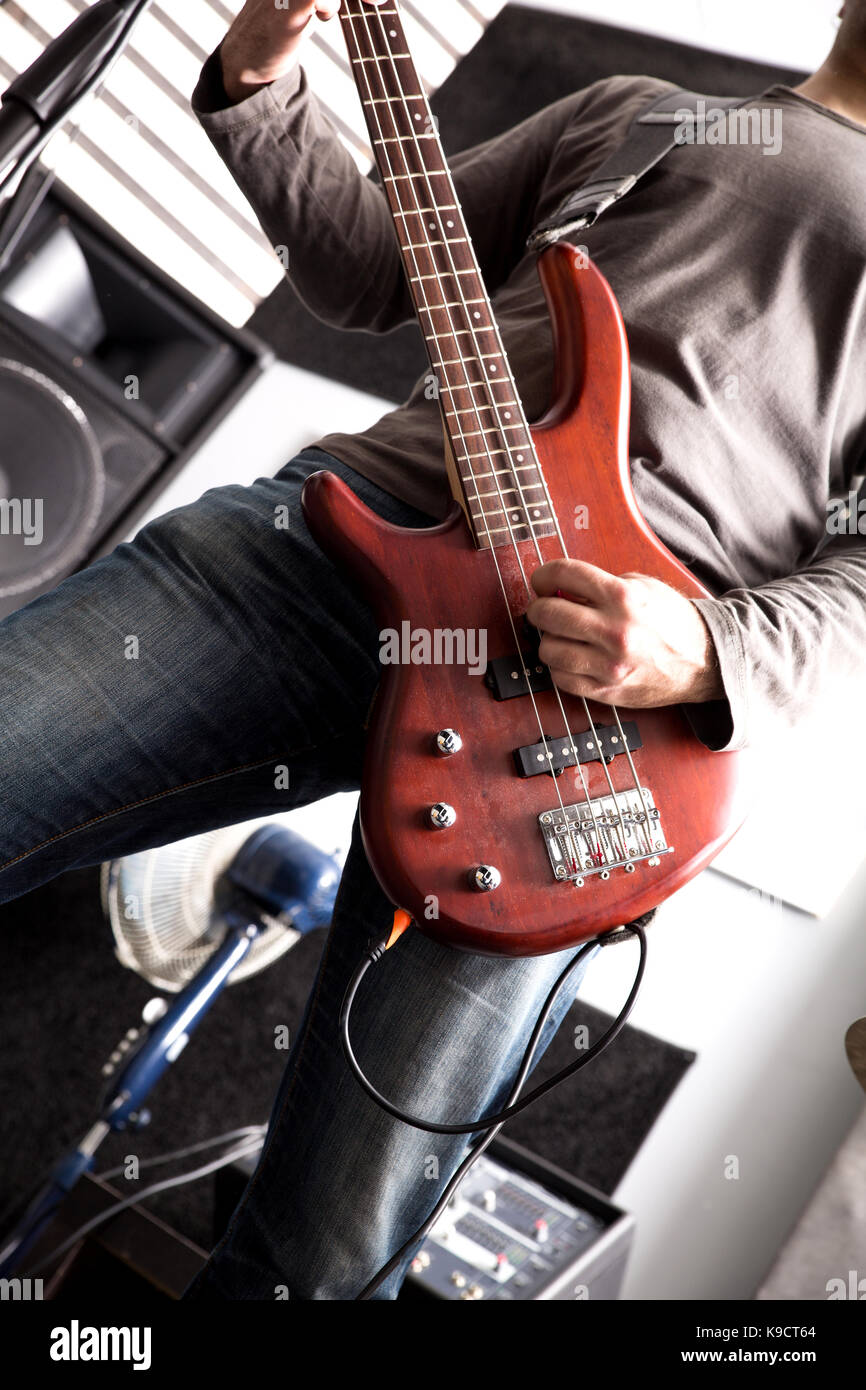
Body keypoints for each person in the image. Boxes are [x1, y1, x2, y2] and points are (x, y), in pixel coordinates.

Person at [2, 0, 865, 1299]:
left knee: (328, 1255)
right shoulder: (635, 114)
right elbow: (368, 269)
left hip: (585, 736)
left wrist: (702, 644)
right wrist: (262, 73)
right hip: (332, 553)